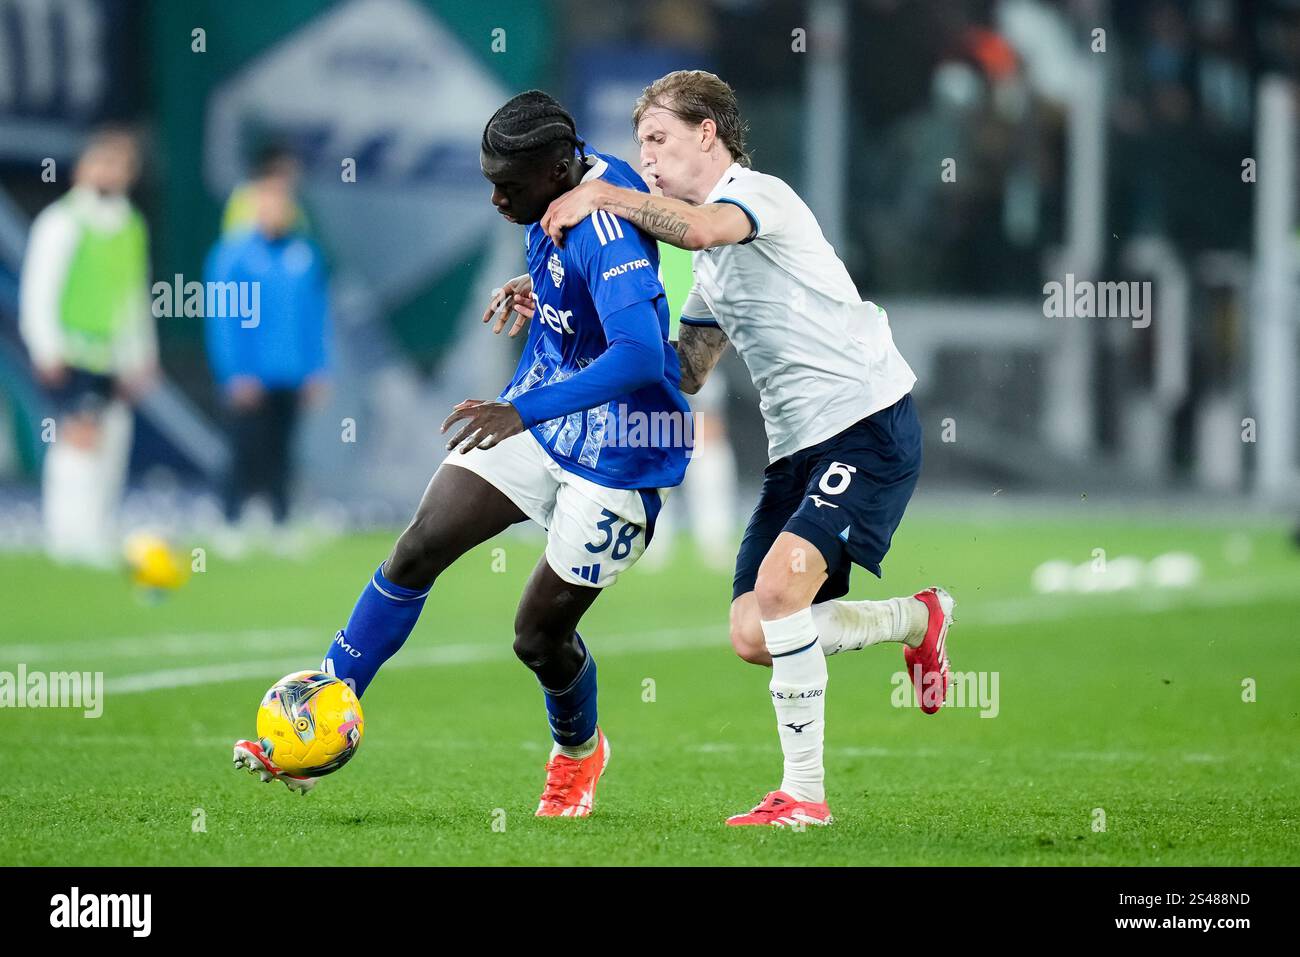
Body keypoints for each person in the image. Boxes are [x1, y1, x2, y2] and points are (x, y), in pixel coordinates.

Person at [233, 91, 692, 819]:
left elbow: (638, 355)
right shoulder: (561, 187)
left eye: (507, 185)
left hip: (619, 448)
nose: (495, 197)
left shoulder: (603, 223)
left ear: (555, 169)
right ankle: (315, 719)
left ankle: (579, 751)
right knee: (419, 545)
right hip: (546, 416)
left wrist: (518, 409)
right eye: (489, 181)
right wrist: (539, 287)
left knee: (538, 636)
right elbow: (585, 303)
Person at [541, 70, 953, 827]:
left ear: (708, 133)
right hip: (799, 451)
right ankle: (916, 620)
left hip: (866, 421)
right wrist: (568, 330)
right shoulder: (714, 263)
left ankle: (804, 796)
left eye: (658, 140)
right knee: (753, 632)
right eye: (640, 146)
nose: (649, 158)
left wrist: (602, 194)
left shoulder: (759, 198)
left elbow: (696, 227)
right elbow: (688, 369)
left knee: (779, 591)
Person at [19, 127, 157, 566]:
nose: (111, 173)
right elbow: (39, 289)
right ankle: (67, 536)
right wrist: (45, 347)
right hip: (72, 349)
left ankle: (96, 529)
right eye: (103, 163)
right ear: (83, 168)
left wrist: (141, 356)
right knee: (78, 440)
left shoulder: (130, 224)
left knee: (114, 437)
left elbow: (135, 296)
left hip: (113, 354)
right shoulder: (62, 221)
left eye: (121, 166)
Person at [204, 168, 330, 535]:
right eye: (268, 201)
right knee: (243, 448)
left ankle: (280, 522)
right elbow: (224, 320)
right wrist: (234, 371)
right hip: (249, 373)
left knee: (283, 450)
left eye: (283, 201)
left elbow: (313, 315)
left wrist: (317, 368)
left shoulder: (304, 253)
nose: (276, 208)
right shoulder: (232, 255)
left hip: (291, 371)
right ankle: (229, 521)